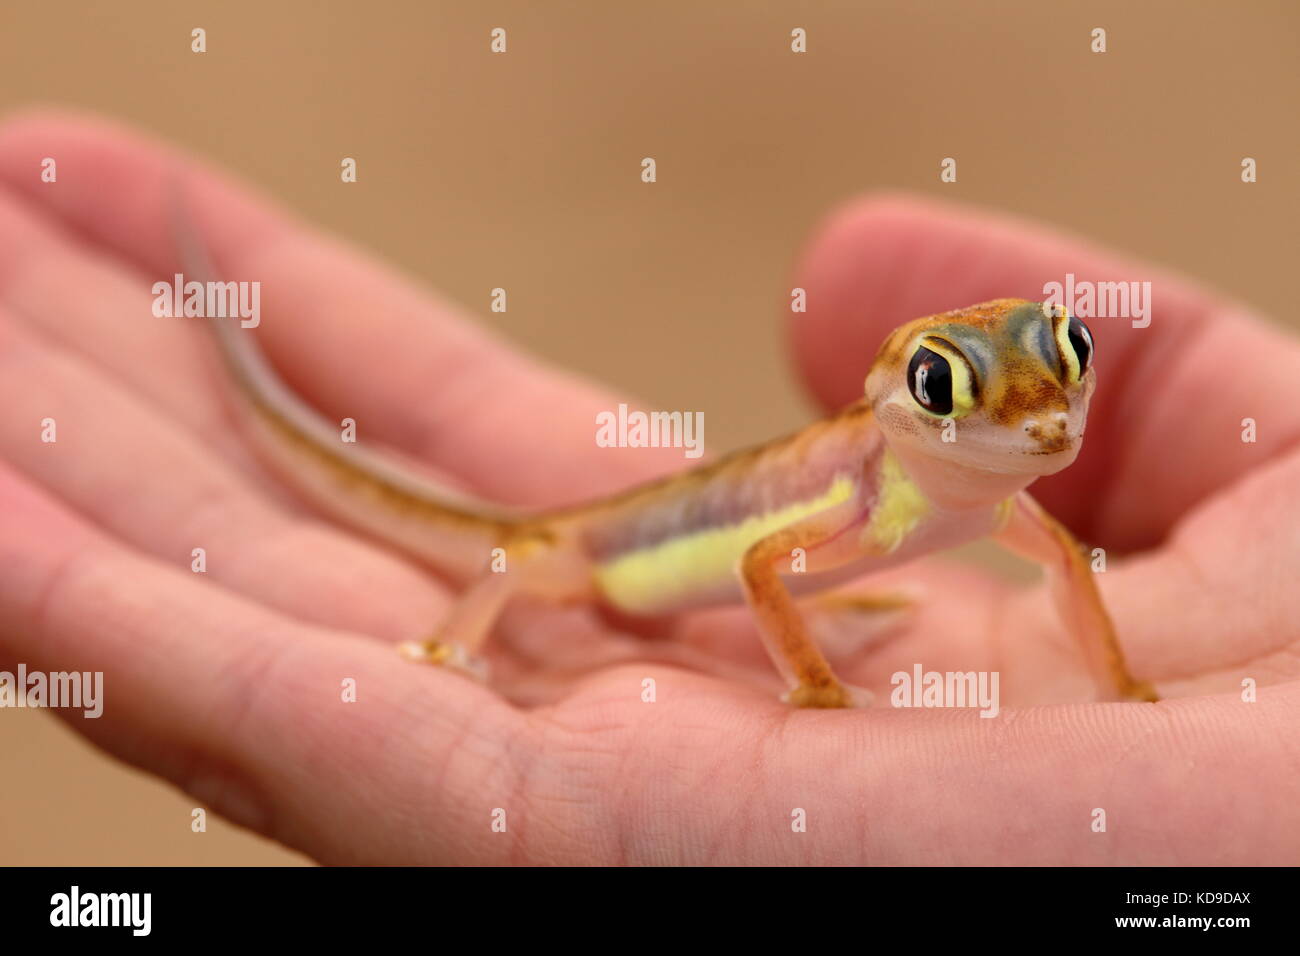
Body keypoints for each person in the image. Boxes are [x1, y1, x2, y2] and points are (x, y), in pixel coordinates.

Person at [0, 112, 1295, 865]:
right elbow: (753, 563)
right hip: (592, 551)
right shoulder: (865, 497)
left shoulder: (995, 506)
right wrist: (811, 684)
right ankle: (452, 628)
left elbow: (1068, 572)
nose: (1037, 424)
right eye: (959, 393)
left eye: (1065, 365)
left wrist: (1125, 696)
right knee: (514, 562)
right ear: (902, 404)